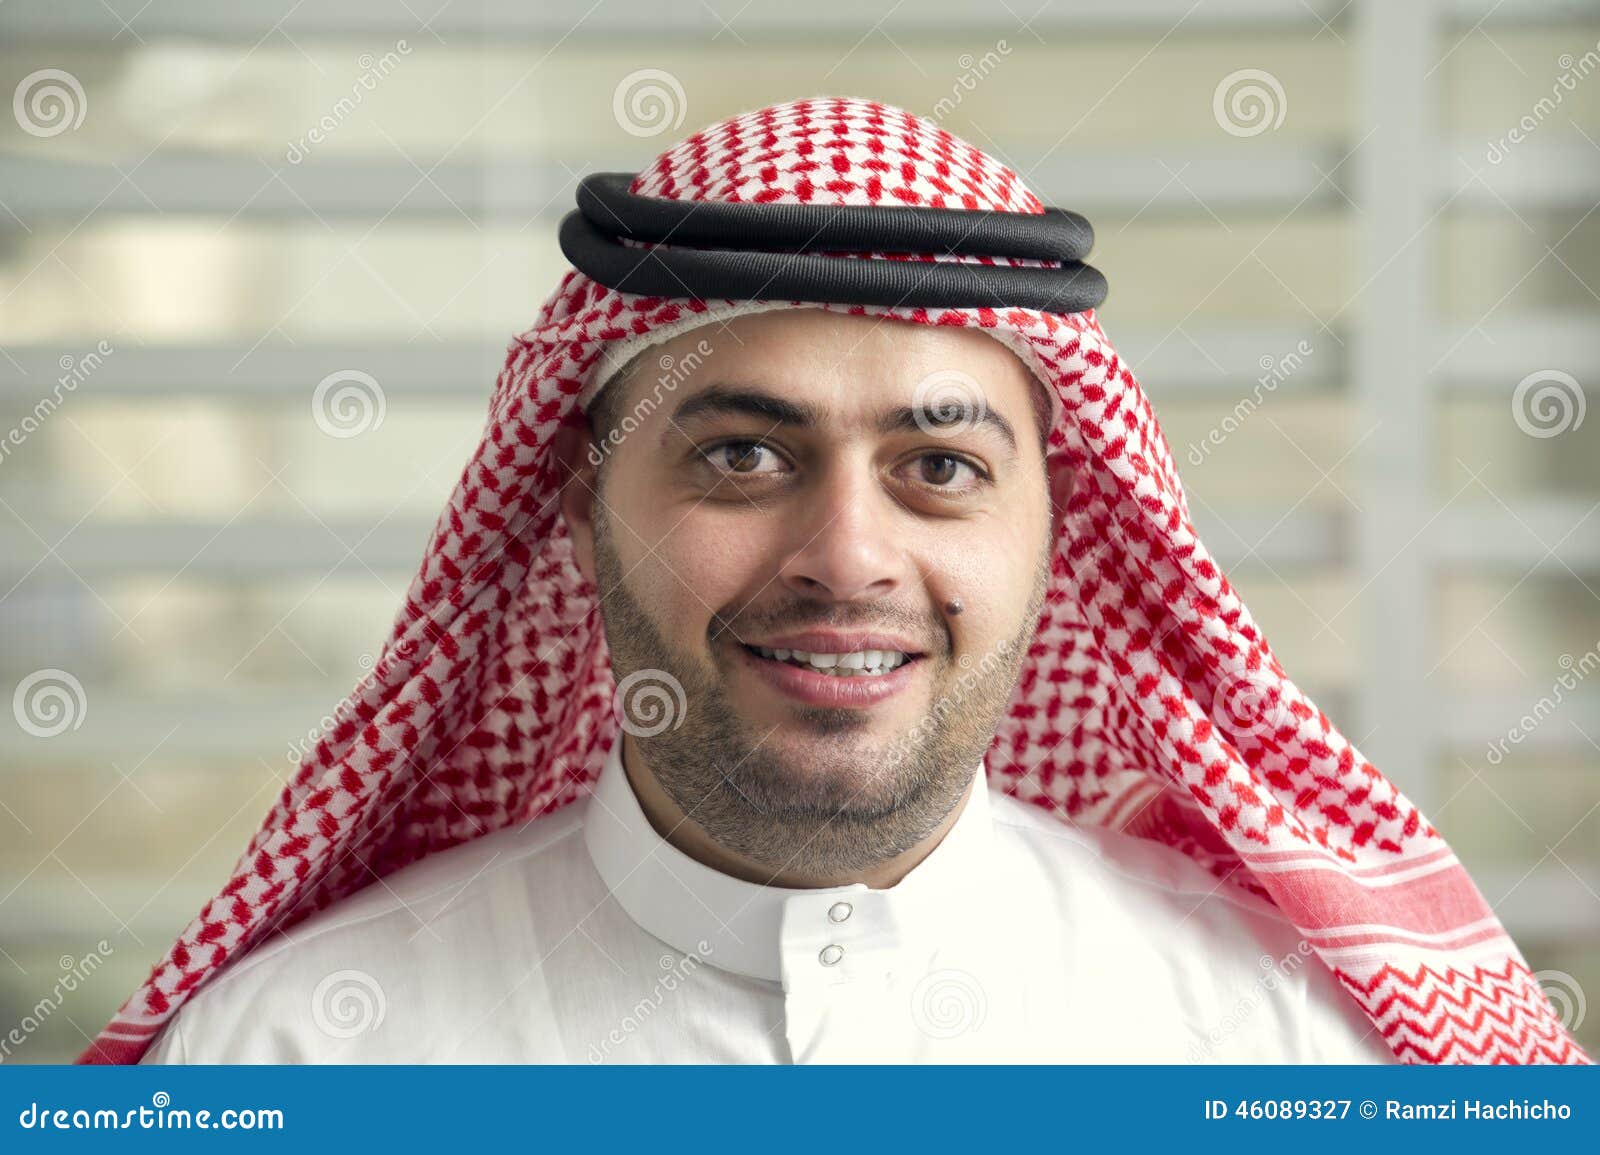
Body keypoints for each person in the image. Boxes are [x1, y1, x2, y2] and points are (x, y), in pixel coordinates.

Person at [83, 96, 1585, 1065]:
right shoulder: (291, 1057)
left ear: (1057, 527)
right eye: (743, 458)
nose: (850, 557)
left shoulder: (1284, 1040)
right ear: (581, 499)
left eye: (940, 468)